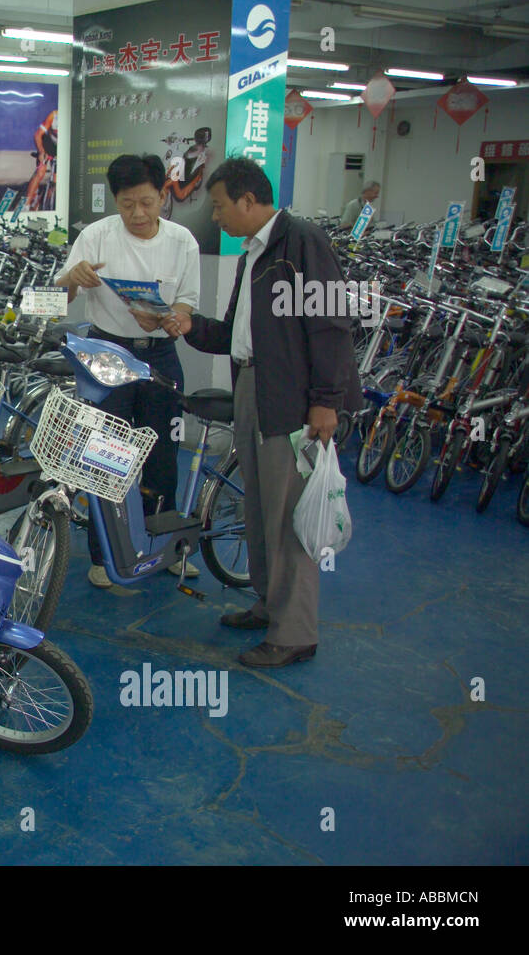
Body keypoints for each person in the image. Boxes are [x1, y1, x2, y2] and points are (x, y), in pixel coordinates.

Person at [154, 157, 362, 668]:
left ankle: (294, 634)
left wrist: (326, 402)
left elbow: (333, 324)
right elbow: (233, 333)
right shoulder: (255, 252)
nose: (217, 216)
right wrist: (185, 325)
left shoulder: (303, 243)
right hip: (251, 385)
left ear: (249, 201)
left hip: (292, 400)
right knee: (258, 511)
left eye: (221, 206)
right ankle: (268, 604)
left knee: (288, 517)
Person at [54, 153, 201, 587]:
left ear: (162, 198)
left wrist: (170, 318)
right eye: (126, 204)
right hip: (106, 353)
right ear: (115, 201)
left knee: (163, 455)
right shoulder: (96, 236)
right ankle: (105, 555)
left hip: (160, 355)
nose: (137, 213)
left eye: (147, 202)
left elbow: (187, 302)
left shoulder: (182, 242)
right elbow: (58, 300)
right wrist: (71, 280)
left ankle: (166, 548)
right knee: (105, 455)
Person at [24, 109, 57, 210]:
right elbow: (38, 134)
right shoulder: (54, 115)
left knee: (56, 181)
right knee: (41, 171)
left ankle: (45, 204)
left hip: (59, 148)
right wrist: (41, 152)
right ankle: (26, 205)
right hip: (47, 144)